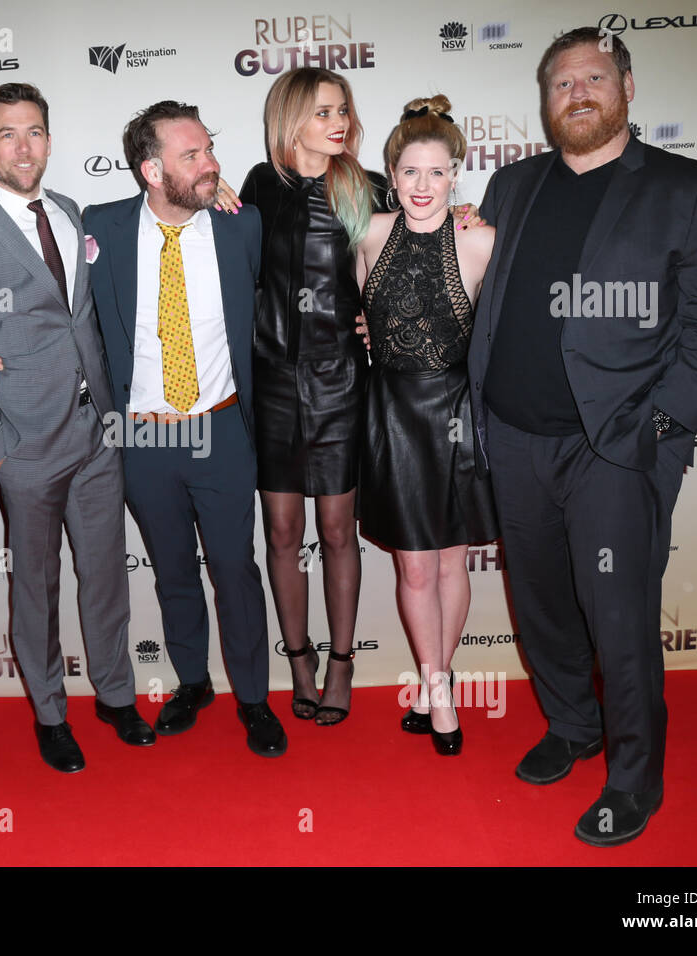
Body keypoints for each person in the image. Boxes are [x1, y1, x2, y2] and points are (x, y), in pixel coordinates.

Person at [468, 28, 697, 844]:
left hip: (614, 450)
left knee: (619, 618)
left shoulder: (692, 188)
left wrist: (661, 427)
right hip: (515, 437)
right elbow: (481, 290)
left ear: (627, 85)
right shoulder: (513, 183)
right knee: (544, 605)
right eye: (562, 82)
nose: (578, 92)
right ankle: (572, 726)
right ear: (545, 99)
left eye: (594, 76)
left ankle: (635, 779)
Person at [0, 83, 153, 774]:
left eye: (34, 132)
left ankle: (115, 695)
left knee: (106, 577)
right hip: (24, 445)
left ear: (49, 141)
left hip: (94, 433)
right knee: (36, 586)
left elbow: (77, 317)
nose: (23, 147)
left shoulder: (66, 210)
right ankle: (51, 714)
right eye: (7, 134)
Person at [85, 101, 287, 758]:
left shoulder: (241, 225)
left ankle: (253, 697)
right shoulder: (101, 228)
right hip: (143, 438)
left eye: (209, 150)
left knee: (236, 569)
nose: (211, 164)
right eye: (191, 155)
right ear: (150, 170)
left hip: (222, 429)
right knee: (172, 570)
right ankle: (194, 681)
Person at [237, 67, 384, 726]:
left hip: (342, 380)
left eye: (344, 109)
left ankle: (343, 662)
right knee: (282, 530)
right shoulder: (258, 186)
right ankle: (297, 659)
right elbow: (235, 271)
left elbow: (404, 269)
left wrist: (376, 321)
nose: (339, 121)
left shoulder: (366, 186)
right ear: (291, 116)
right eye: (324, 110)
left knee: (336, 530)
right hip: (272, 379)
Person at [356, 97, 499, 756]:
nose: (421, 186)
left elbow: (500, 338)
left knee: (448, 563)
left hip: (457, 418)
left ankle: (434, 687)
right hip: (392, 416)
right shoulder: (368, 233)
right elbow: (356, 323)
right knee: (415, 570)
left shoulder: (481, 239)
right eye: (409, 171)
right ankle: (438, 691)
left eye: (436, 173)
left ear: (455, 176)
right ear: (391, 172)